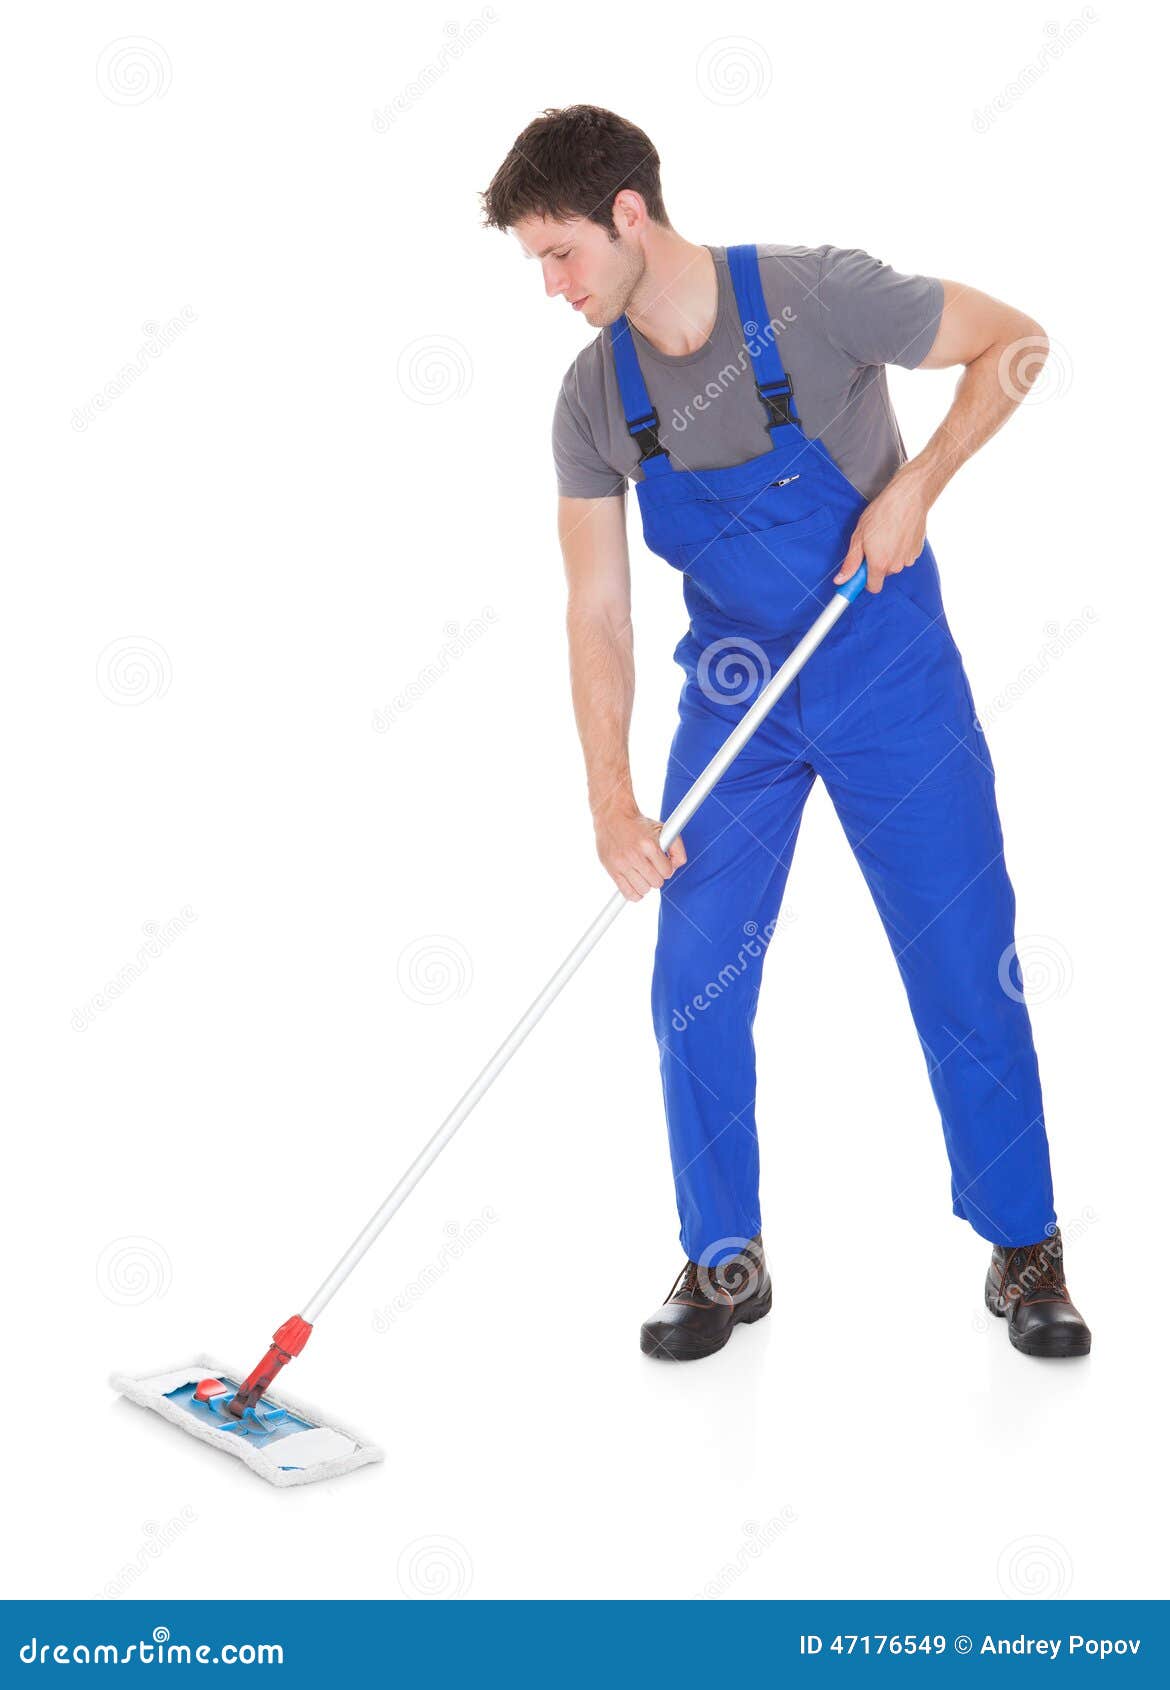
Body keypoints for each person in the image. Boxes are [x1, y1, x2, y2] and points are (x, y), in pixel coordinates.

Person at [480, 104, 1091, 1364]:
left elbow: (1017, 343)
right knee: (692, 982)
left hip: (889, 674)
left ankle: (1026, 1242)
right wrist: (610, 800)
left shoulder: (817, 296)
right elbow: (597, 609)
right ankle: (724, 1256)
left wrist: (917, 484)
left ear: (629, 214)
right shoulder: (594, 398)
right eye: (538, 262)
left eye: (561, 253)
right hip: (737, 702)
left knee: (963, 959)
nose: (552, 286)